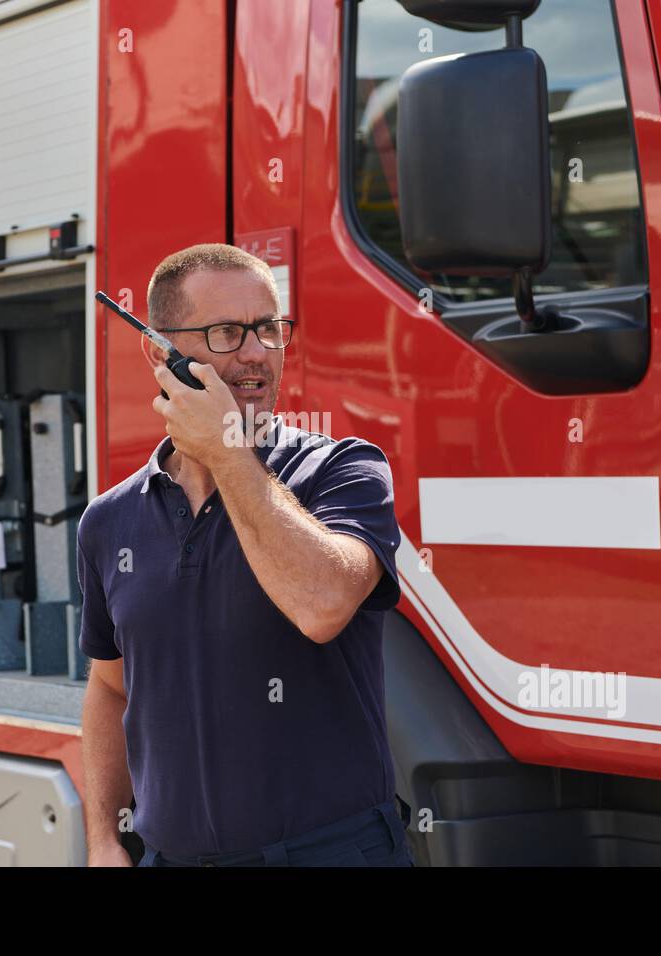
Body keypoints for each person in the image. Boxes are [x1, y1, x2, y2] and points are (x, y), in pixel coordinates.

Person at [79, 243, 412, 867]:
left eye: (269, 329)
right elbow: (109, 689)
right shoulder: (109, 521)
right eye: (227, 333)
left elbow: (322, 604)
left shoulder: (343, 471)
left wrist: (230, 452)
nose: (257, 353)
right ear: (159, 351)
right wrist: (103, 839)